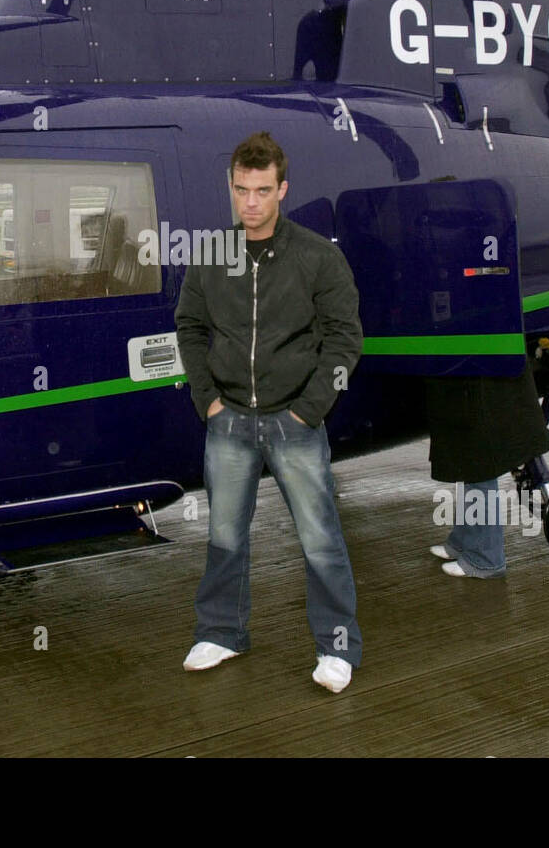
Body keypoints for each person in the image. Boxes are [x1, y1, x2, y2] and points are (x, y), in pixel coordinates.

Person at [175, 131, 364, 693]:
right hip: (227, 420)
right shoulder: (212, 253)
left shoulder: (317, 257)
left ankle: (337, 647)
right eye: (241, 190)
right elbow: (189, 326)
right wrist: (206, 399)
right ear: (230, 189)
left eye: (262, 190)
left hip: (294, 424)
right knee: (225, 535)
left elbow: (345, 341)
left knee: (321, 539)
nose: (250, 202)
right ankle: (221, 631)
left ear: (282, 189)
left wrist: (310, 410)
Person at [423, 360, 549, 577]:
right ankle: (464, 541)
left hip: (481, 373)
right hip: (464, 369)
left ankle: (486, 558)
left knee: (479, 464)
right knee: (467, 460)